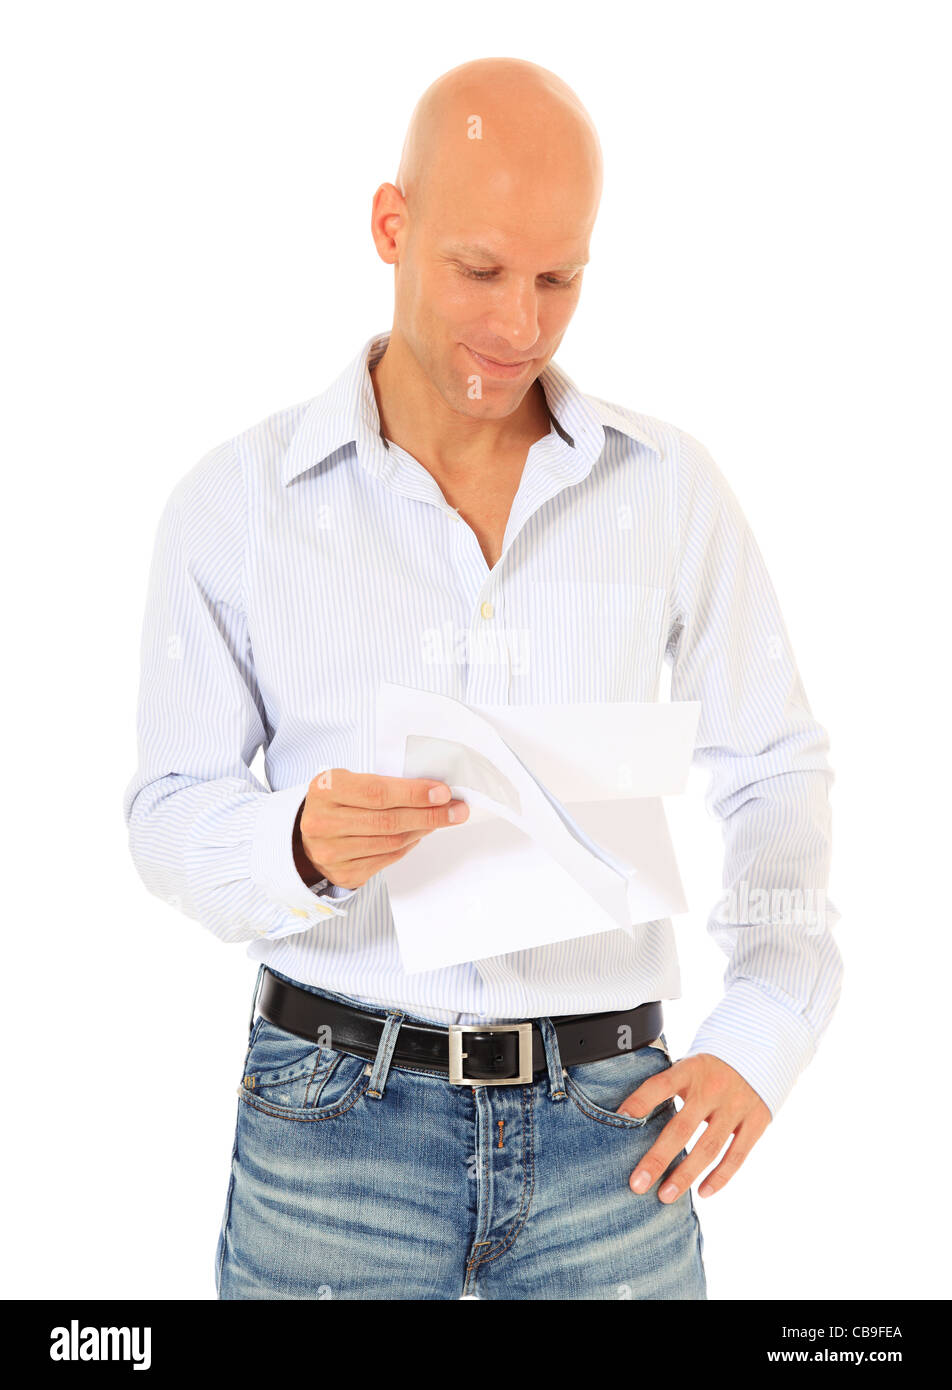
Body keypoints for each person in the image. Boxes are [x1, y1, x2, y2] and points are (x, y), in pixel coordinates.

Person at [122, 56, 841, 1301]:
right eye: (480, 270)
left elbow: (774, 765)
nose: (519, 325)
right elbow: (167, 806)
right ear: (391, 227)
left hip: (615, 1136)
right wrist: (292, 840)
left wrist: (765, 1028)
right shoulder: (231, 507)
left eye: (558, 279)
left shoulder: (668, 490)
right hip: (332, 1128)